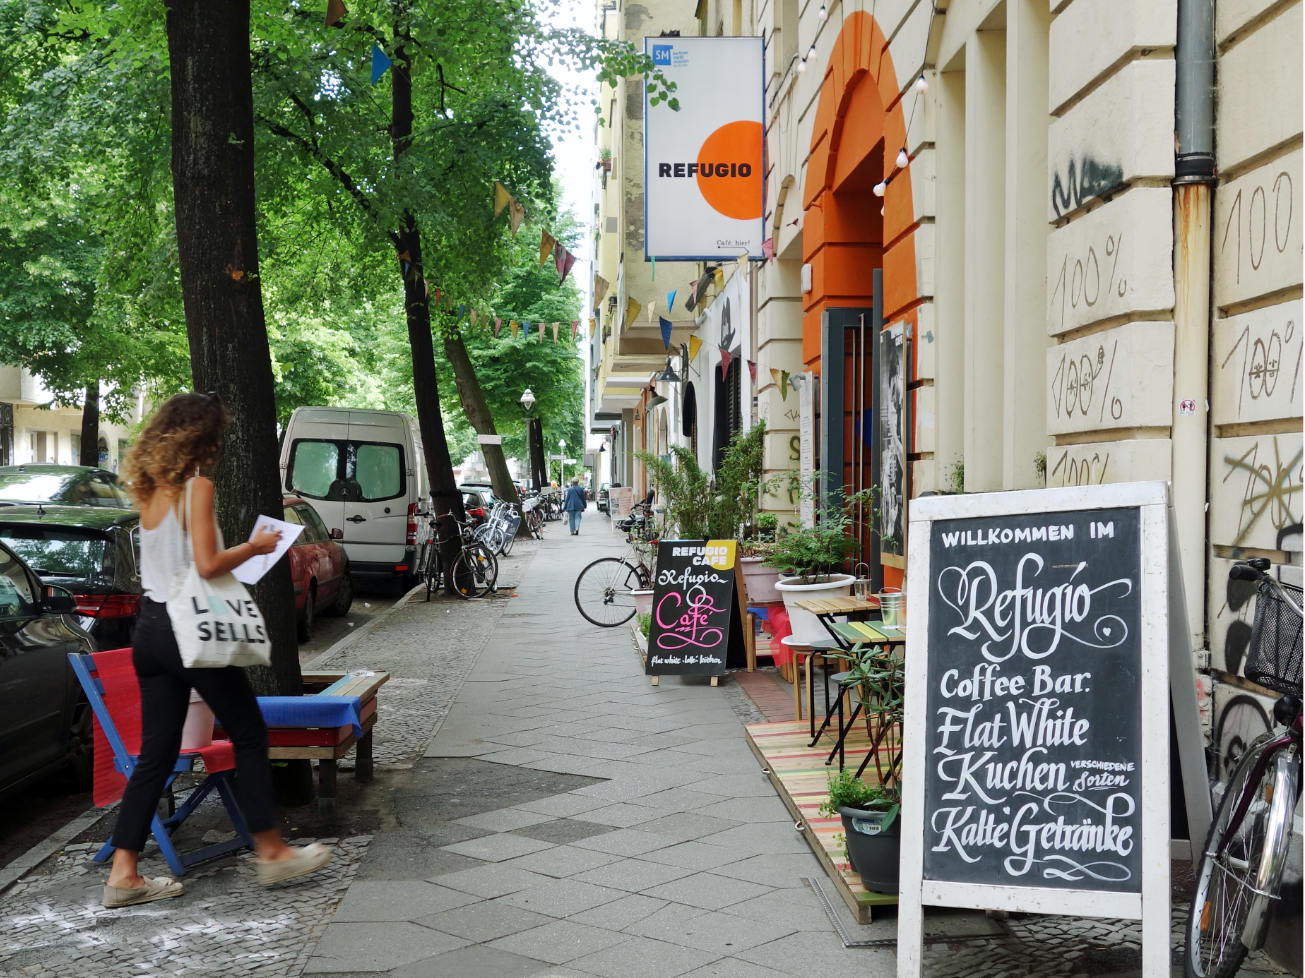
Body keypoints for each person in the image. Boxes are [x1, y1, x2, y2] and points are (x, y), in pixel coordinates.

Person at [106, 392, 331, 909]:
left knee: (156, 754)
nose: (219, 446)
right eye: (215, 438)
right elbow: (208, 565)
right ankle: (272, 851)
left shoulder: (150, 490)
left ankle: (123, 873)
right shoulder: (197, 487)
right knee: (249, 729)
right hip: (189, 631)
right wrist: (255, 548)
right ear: (200, 440)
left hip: (151, 629)